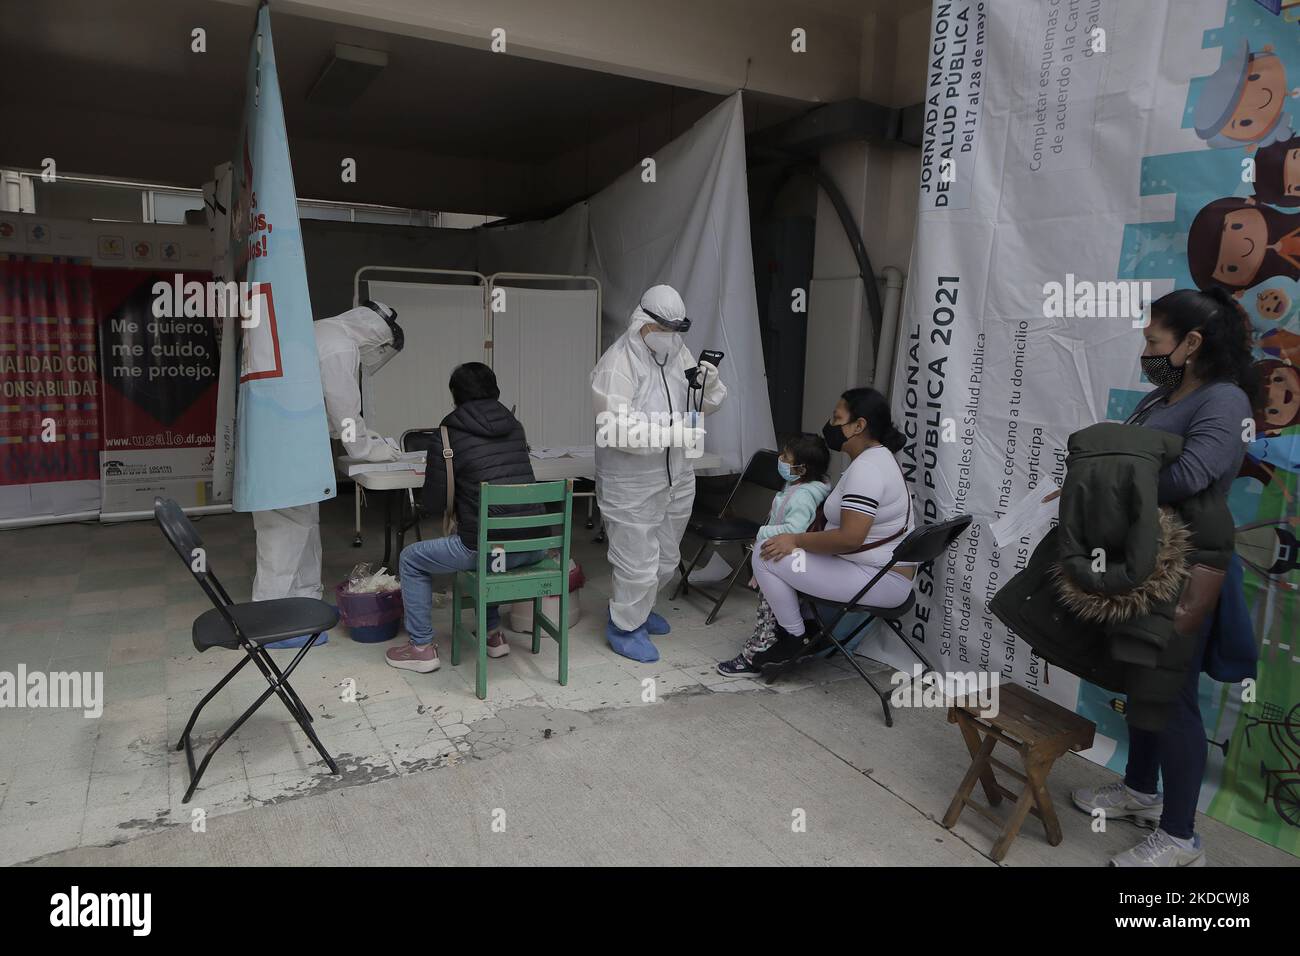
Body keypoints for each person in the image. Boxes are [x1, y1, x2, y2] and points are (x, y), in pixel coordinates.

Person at [1058, 288, 1255, 867]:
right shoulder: (1163, 395)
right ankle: (1141, 790)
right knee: (1140, 679)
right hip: (1146, 560)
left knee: (1170, 697)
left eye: (1153, 339)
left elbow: (1189, 476)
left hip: (1189, 567)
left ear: (1191, 343)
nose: (1145, 348)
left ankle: (1180, 837)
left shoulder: (1225, 402)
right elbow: (1127, 467)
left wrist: (1101, 486)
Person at [251, 300, 404, 647]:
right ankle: (272, 624)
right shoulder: (339, 345)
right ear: (377, 336)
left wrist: (358, 437)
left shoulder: (322, 330)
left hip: (288, 442)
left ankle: (304, 608)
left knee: (303, 527)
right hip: (287, 449)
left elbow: (325, 409)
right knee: (283, 531)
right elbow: (345, 412)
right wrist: (373, 450)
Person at [591, 284, 727, 663]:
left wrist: (710, 383)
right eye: (665, 329)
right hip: (631, 482)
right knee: (635, 561)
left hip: (678, 474)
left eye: (677, 329)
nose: (671, 337)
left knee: (666, 557)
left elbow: (706, 403)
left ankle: (638, 608)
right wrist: (672, 434)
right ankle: (624, 625)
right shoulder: (617, 364)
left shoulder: (677, 353)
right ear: (643, 323)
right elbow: (613, 428)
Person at [387, 362, 545, 673]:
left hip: (486, 549)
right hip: (534, 546)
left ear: (455, 396)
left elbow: (433, 503)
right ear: (495, 390)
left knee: (411, 559)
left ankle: (420, 648)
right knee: (494, 546)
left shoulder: (447, 435)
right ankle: (492, 634)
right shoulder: (516, 427)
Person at [751, 388, 916, 664]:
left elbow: (850, 538)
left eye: (837, 418)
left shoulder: (867, 469)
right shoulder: (878, 459)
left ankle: (793, 639)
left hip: (878, 580)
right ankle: (807, 629)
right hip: (881, 574)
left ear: (858, 426)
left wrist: (795, 539)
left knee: (764, 553)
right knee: (779, 551)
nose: (830, 424)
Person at [716, 434, 831, 677]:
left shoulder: (802, 496)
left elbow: (795, 530)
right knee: (785, 608)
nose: (780, 460)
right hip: (792, 560)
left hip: (782, 561)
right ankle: (793, 644)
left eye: (786, 458)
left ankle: (755, 655)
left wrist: (763, 531)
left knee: (768, 612)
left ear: (801, 468)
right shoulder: (801, 486)